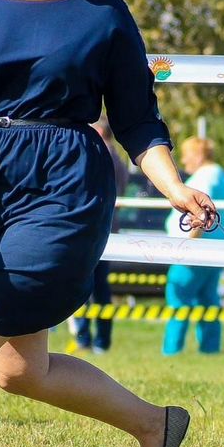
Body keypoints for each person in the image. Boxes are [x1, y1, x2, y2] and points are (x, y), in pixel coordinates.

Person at [0, 0, 216, 447]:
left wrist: (176, 188)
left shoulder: (103, 11)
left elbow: (137, 119)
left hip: (67, 183)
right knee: (20, 370)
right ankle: (156, 423)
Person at [163, 137, 224, 356]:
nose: (183, 160)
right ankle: (210, 349)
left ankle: (172, 350)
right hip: (215, 250)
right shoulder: (219, 174)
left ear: (199, 155)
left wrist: (187, 247)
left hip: (195, 251)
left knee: (178, 297)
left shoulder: (205, 177)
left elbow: (200, 215)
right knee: (208, 300)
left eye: (186, 154)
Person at [72, 116, 129, 354]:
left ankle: (86, 338)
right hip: (106, 230)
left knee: (83, 286)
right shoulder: (119, 161)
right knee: (100, 288)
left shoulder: (96, 155)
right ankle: (100, 341)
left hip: (89, 230)